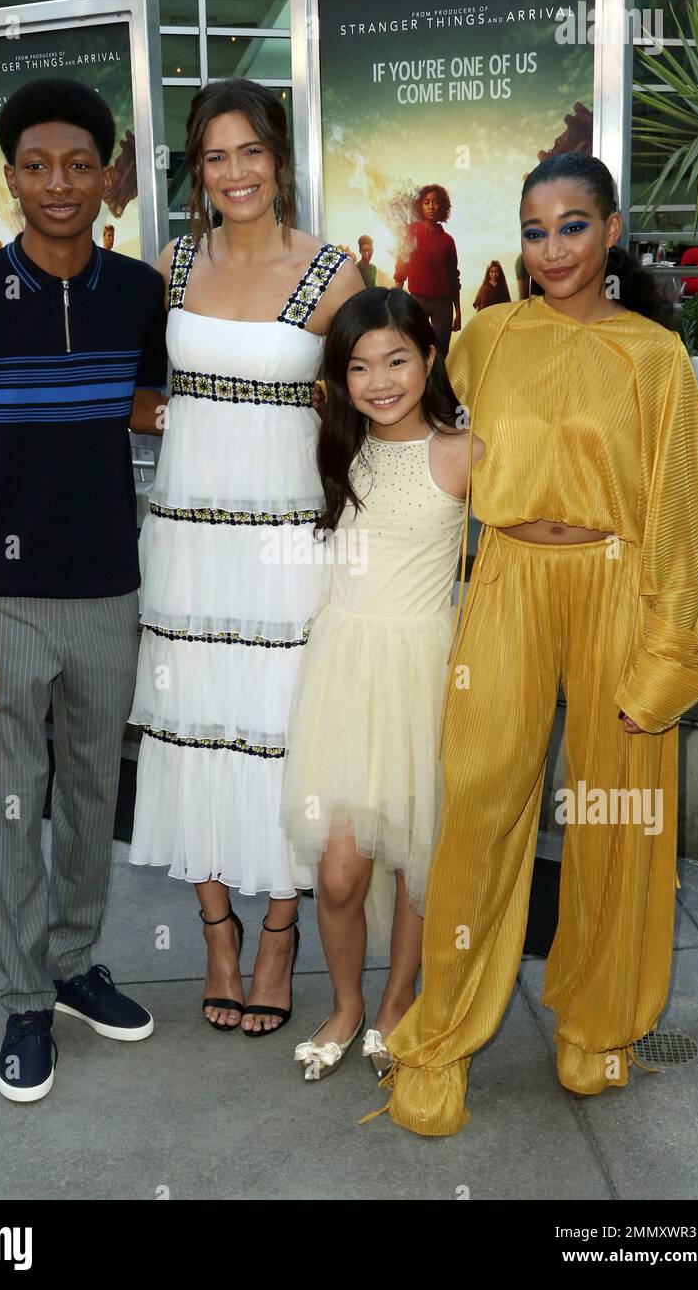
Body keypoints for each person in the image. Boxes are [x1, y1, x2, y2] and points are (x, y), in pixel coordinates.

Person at [376, 151, 698, 1136]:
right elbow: (423, 449)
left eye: (573, 225)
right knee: (477, 802)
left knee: (619, 816)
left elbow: (680, 510)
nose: (553, 247)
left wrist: (664, 652)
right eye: (534, 228)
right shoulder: (483, 338)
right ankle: (439, 1034)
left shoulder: (654, 356)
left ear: (609, 231)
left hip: (618, 584)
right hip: (508, 581)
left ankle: (595, 1024)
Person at [0, 77, 168, 1103]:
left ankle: (70, 963)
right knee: (15, 805)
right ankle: (25, 997)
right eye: (35, 165)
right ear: (9, 175)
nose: (57, 184)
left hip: (108, 587)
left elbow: (149, 412)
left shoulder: (140, 291)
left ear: (108, 177)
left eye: (78, 165)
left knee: (94, 793)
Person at [127, 77, 364, 1035]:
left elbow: (374, 396)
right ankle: (217, 934)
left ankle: (278, 936)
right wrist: (185, 415)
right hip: (186, 540)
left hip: (285, 549)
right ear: (199, 169)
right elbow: (138, 393)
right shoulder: (171, 265)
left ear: (280, 158)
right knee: (194, 730)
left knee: (281, 736)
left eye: (251, 152)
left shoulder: (332, 270)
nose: (236, 173)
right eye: (216, 156)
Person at [279, 287, 479, 1082]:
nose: (380, 380)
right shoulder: (338, 447)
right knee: (339, 869)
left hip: (425, 669)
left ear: (430, 359)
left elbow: (521, 546)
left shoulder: (466, 451)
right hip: (342, 673)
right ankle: (346, 1001)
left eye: (397, 359)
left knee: (417, 857)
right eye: (359, 366)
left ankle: (397, 1001)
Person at [394, 184, 461, 355]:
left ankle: (436, 383)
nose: (431, 206)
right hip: (418, 301)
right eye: (426, 202)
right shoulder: (410, 233)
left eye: (436, 202)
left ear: (442, 206)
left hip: (443, 305)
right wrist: (394, 302)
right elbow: (401, 267)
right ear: (420, 205)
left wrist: (458, 311)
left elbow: (454, 277)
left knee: (440, 353)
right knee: (416, 350)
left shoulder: (448, 241)